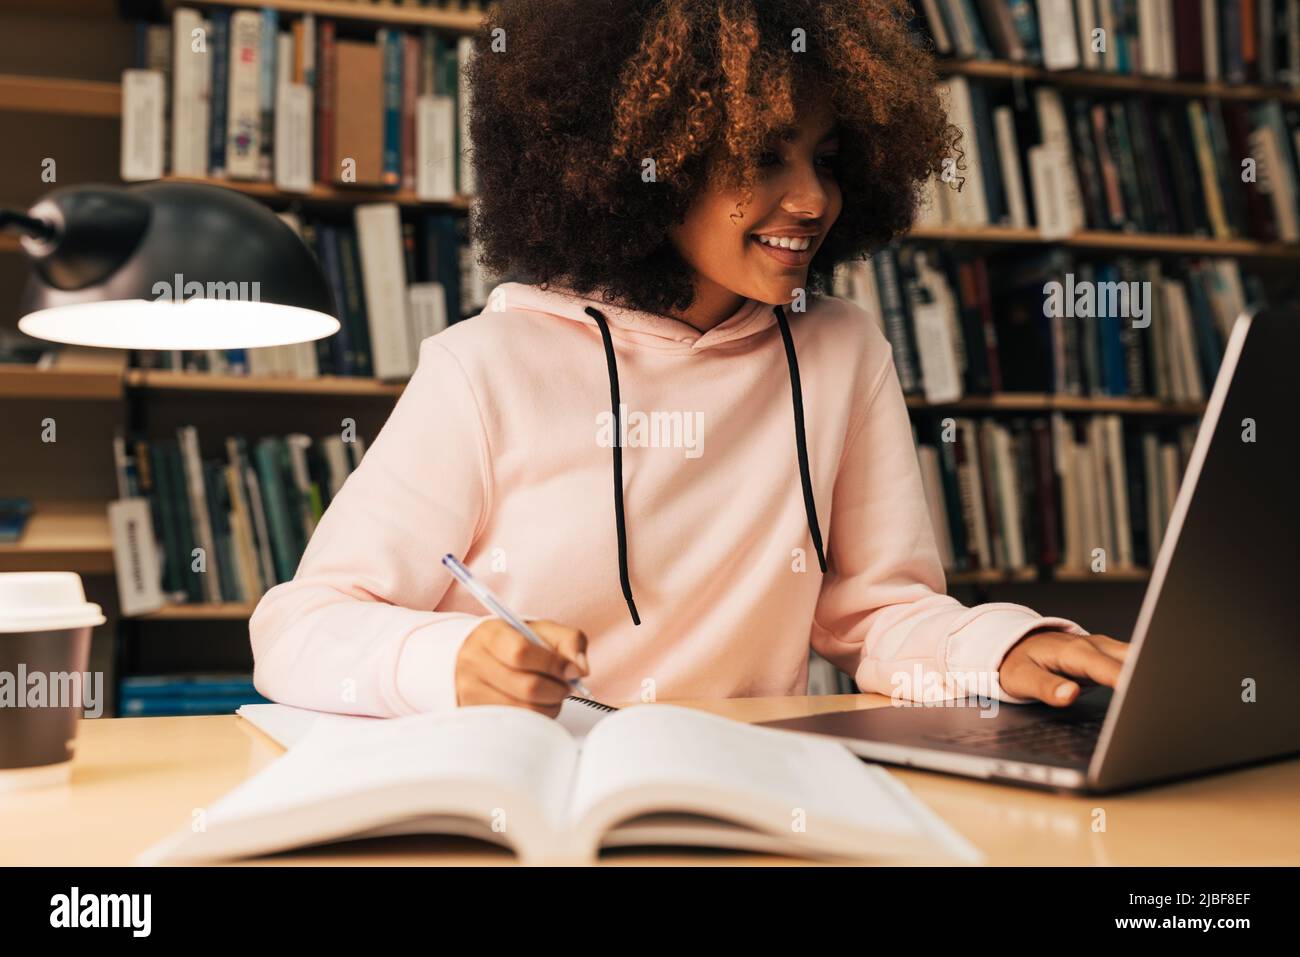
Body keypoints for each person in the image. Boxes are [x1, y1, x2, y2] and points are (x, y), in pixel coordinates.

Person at [250, 0, 1128, 718]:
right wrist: (454, 661)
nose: (813, 197)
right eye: (762, 154)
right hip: (516, 797)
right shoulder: (486, 368)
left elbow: (879, 615)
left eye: (826, 158)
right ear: (652, 161)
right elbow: (296, 628)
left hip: (740, 801)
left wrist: (999, 645)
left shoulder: (842, 351)